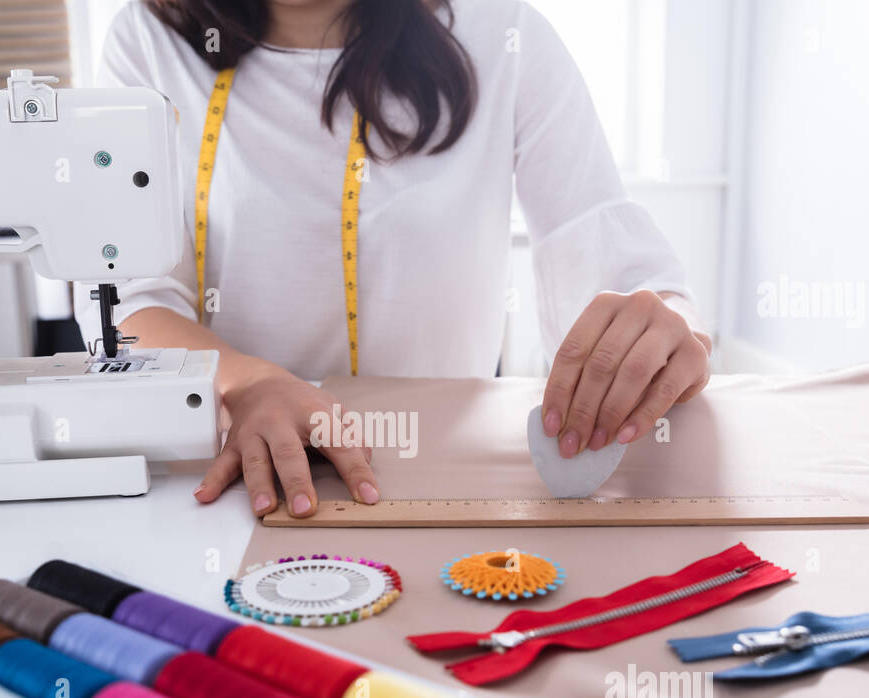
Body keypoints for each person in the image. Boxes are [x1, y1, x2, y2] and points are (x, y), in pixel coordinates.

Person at [90, 0, 712, 518]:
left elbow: (602, 242)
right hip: (240, 470)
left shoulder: (502, 33)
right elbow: (133, 300)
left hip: (445, 472)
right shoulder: (148, 40)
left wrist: (661, 326)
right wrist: (247, 382)